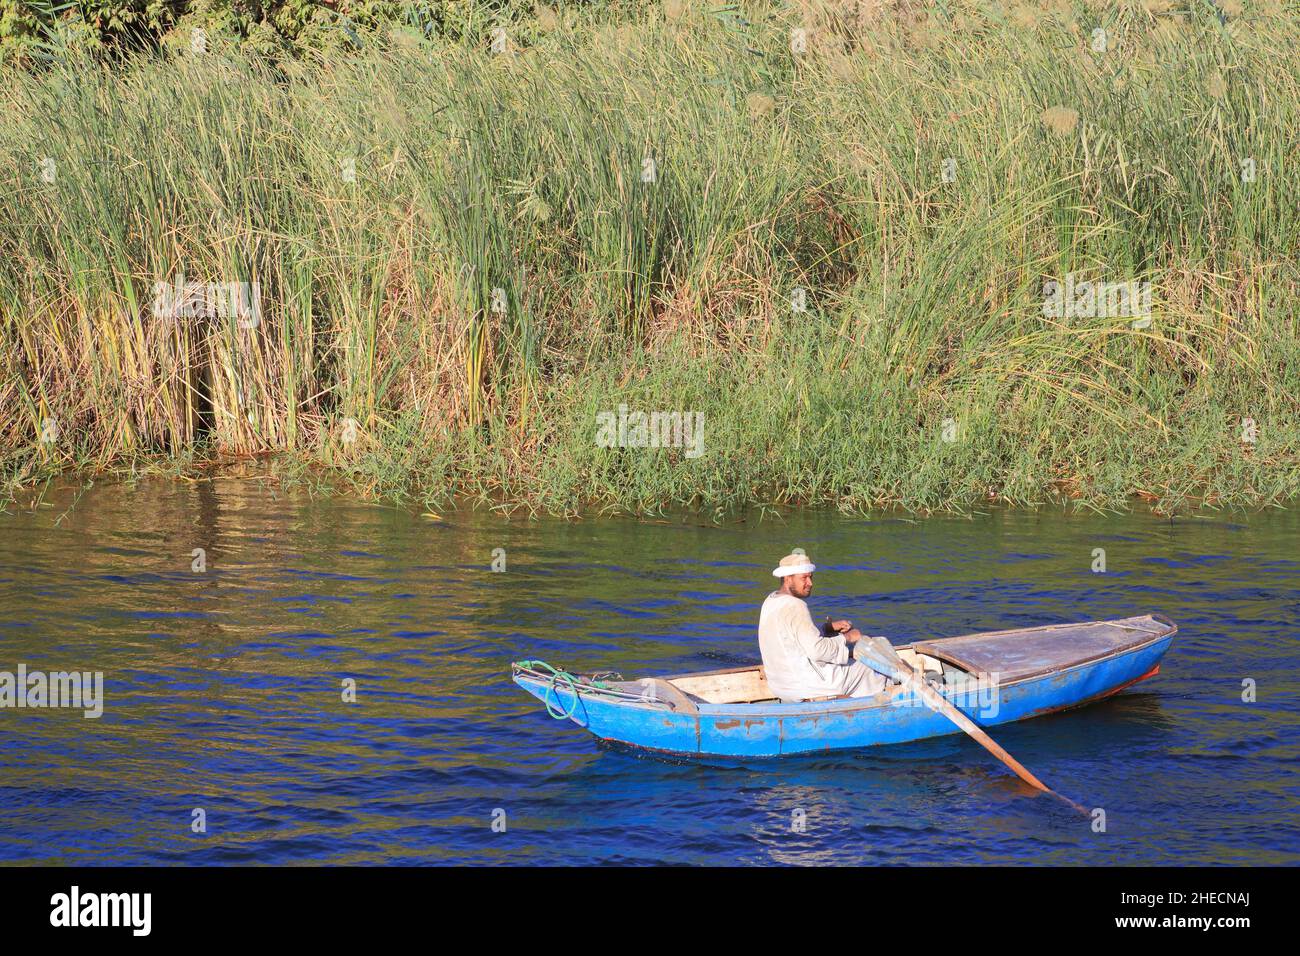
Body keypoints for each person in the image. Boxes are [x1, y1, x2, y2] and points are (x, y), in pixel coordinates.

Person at [758, 552, 889, 703]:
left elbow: (794, 638)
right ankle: (874, 708)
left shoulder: (771, 600)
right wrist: (848, 637)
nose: (810, 583)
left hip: (780, 686)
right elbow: (817, 650)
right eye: (804, 578)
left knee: (850, 661)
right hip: (806, 685)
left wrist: (828, 629)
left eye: (810, 577)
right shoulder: (796, 606)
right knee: (869, 667)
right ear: (788, 578)